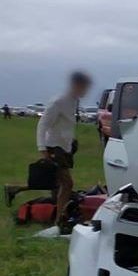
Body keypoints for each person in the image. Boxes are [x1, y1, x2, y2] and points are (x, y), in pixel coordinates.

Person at [36, 71, 92, 233]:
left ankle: (58, 215)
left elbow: (66, 124)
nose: (85, 91)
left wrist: (72, 141)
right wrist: (42, 149)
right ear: (76, 85)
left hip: (65, 148)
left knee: (55, 183)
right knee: (67, 184)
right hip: (54, 148)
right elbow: (42, 125)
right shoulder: (58, 101)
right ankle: (58, 221)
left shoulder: (74, 101)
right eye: (84, 87)